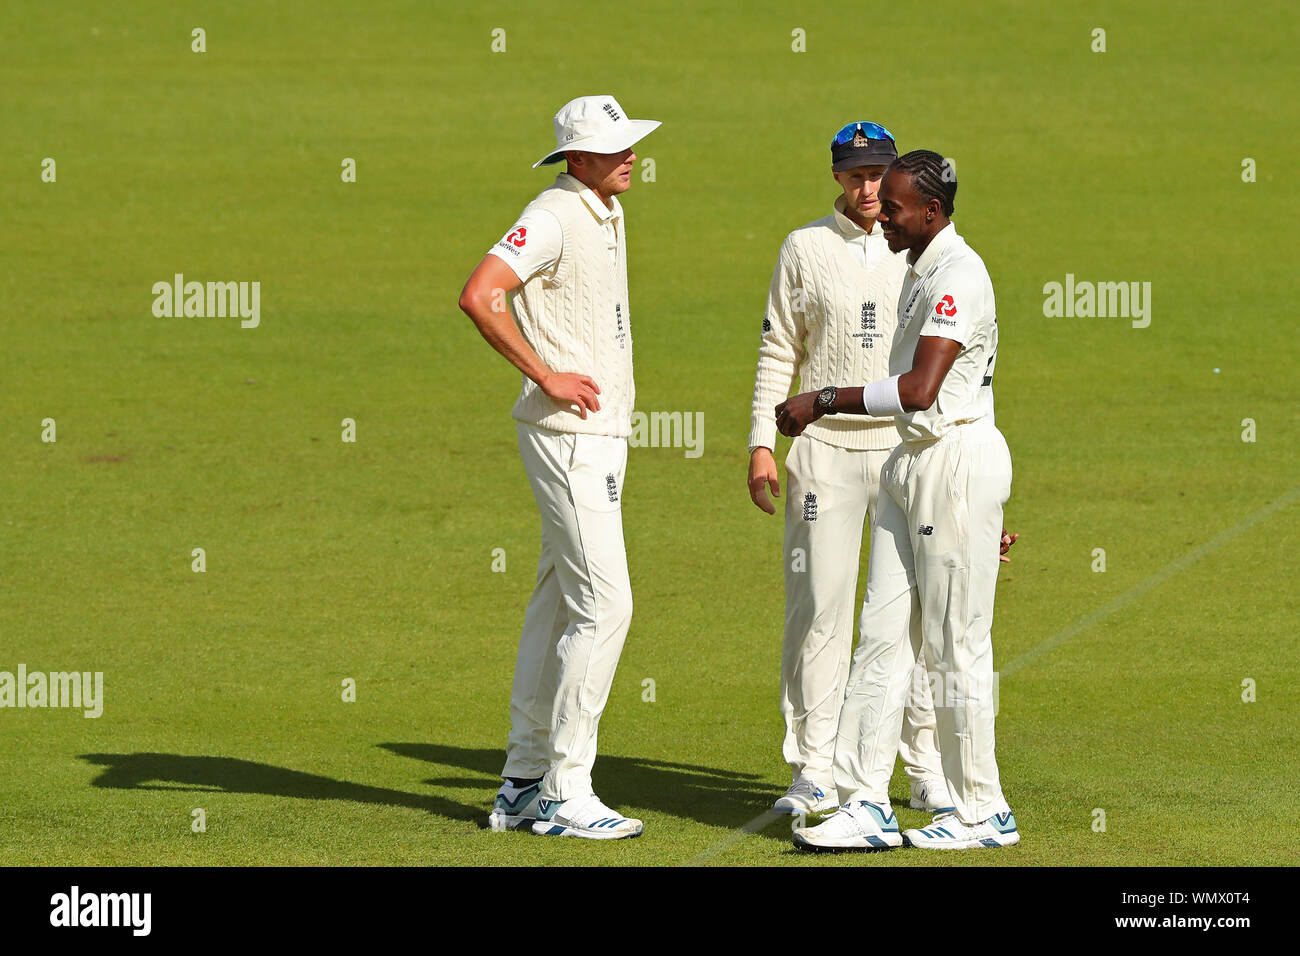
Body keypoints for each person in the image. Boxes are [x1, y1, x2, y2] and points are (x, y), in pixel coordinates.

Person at [778, 149, 1021, 851]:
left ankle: (982, 810)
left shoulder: (959, 276)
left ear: (933, 213)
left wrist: (823, 399)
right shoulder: (919, 267)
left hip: (952, 463)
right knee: (881, 638)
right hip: (911, 465)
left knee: (954, 646)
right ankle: (864, 802)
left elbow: (921, 390)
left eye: (894, 208)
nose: (880, 215)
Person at [457, 94, 659, 840]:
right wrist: (546, 375)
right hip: (572, 436)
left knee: (557, 599)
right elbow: (481, 295)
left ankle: (521, 780)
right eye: (616, 147)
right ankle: (565, 791)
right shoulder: (553, 214)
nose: (632, 154)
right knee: (606, 605)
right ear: (576, 159)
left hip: (596, 436)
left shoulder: (603, 209)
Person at [747, 122, 956, 818]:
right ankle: (814, 766)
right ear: (837, 177)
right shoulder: (805, 247)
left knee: (913, 617)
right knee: (819, 612)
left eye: (879, 174)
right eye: (854, 176)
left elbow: (954, 364)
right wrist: (759, 444)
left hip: (904, 450)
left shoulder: (920, 250)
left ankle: (923, 761)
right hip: (824, 452)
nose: (868, 189)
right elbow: (780, 346)